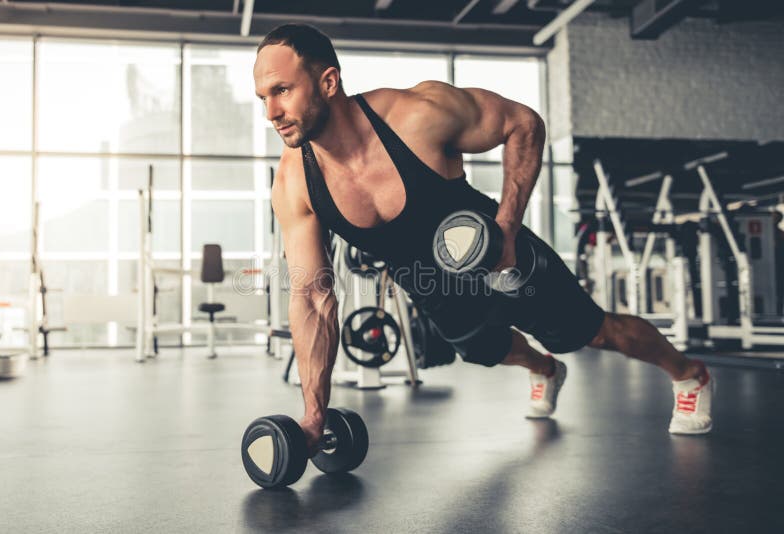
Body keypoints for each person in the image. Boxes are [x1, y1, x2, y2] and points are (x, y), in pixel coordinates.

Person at [253, 24, 715, 453]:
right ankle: (545, 368)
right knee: (480, 349)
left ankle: (688, 374)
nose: (272, 112)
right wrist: (314, 416)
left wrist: (508, 228)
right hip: (428, 283)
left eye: (282, 91)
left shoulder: (417, 115)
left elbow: (523, 124)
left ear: (329, 82)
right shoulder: (295, 184)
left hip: (494, 252)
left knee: (593, 332)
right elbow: (313, 296)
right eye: (263, 98)